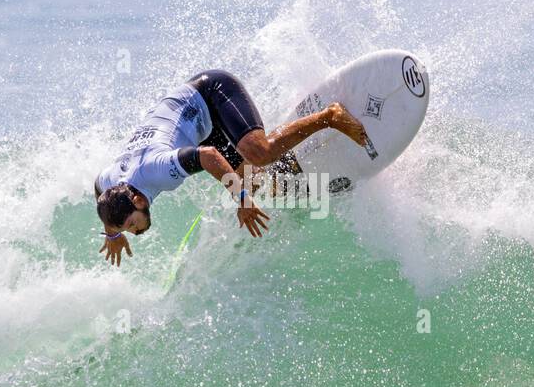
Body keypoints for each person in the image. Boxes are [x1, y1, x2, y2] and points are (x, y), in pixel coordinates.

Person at [94, 69, 368, 265]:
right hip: (200, 127)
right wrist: (113, 233)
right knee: (253, 181)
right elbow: (99, 188)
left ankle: (330, 117)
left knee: (260, 153)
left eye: (131, 224)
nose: (134, 231)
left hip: (210, 93)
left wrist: (242, 200)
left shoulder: (157, 171)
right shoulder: (111, 183)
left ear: (139, 199)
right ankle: (287, 164)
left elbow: (209, 156)